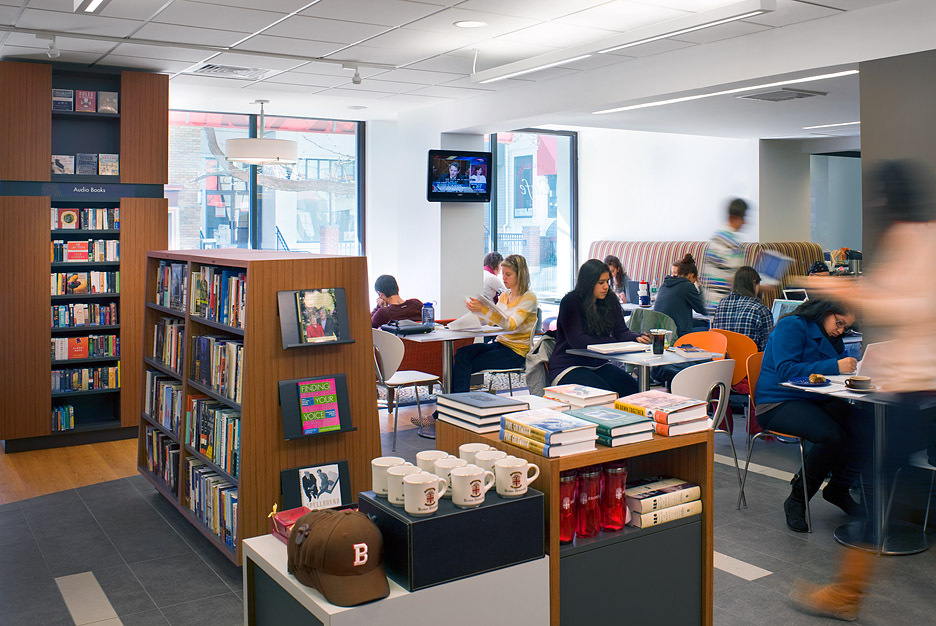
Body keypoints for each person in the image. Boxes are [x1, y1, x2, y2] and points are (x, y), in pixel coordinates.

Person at [789, 160, 936, 622]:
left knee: (879, 481)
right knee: (881, 478)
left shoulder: (911, 239)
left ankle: (847, 594)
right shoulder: (922, 236)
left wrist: (832, 286)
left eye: (877, 198)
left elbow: (898, 302)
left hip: (913, 391)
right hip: (916, 390)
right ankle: (848, 591)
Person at [754, 299, 865, 534]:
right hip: (777, 400)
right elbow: (786, 370)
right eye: (839, 323)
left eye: (846, 327)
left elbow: (829, 369)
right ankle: (796, 499)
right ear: (826, 311)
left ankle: (838, 488)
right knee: (831, 437)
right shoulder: (792, 326)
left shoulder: (832, 337)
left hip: (815, 398)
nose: (841, 330)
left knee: (866, 427)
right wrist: (835, 366)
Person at [548, 259, 650, 396]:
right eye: (601, 283)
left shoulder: (610, 300)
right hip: (568, 366)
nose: (606, 287)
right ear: (588, 283)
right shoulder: (571, 302)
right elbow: (577, 340)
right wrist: (612, 341)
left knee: (634, 390)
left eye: (607, 281)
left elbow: (621, 332)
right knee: (605, 395)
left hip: (598, 364)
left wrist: (637, 337)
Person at [451, 254, 538, 392]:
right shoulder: (504, 295)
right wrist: (476, 314)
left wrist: (484, 310)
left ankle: (454, 407)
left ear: (520, 275)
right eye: (503, 273)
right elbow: (495, 321)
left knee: (462, 366)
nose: (504, 278)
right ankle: (454, 406)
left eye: (508, 274)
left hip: (516, 353)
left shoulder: (529, 298)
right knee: (462, 354)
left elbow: (510, 324)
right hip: (500, 344)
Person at [712, 266, 774, 350]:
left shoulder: (721, 304)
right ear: (754, 283)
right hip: (750, 361)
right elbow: (768, 347)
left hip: (724, 360)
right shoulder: (760, 309)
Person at [702, 198, 748, 312]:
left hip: (709, 304)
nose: (744, 222)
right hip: (726, 307)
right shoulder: (733, 244)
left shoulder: (716, 238)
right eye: (743, 218)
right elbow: (737, 281)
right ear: (735, 218)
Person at [653, 253, 707, 338]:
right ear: (691, 276)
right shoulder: (687, 286)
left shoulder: (664, 284)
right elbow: (703, 310)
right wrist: (699, 286)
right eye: (694, 280)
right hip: (676, 333)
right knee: (707, 327)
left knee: (701, 323)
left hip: (661, 329)